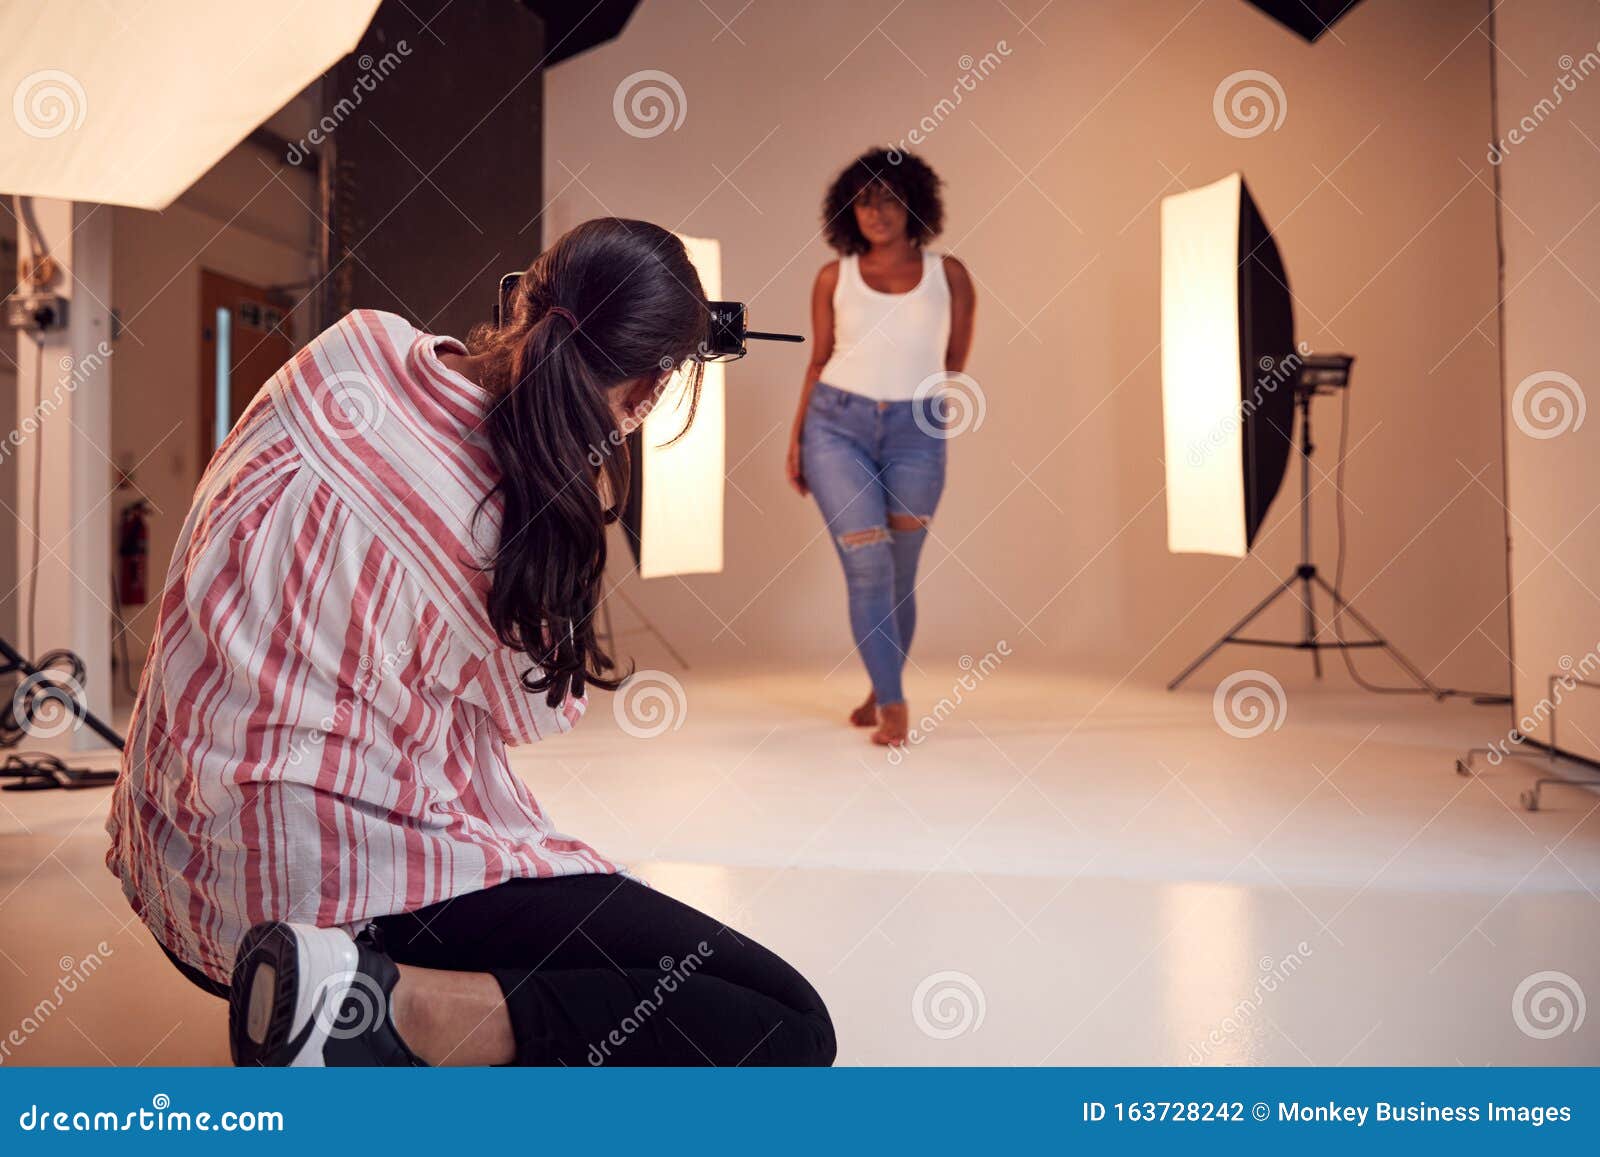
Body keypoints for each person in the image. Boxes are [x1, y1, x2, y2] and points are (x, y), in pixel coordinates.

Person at [106, 218, 836, 1068]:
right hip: (309, 899)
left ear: (529, 292)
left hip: (175, 861)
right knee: (785, 1020)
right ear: (648, 391)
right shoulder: (523, 523)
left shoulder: (351, 346)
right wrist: (578, 472)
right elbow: (535, 715)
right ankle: (381, 1007)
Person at [787, 148, 977, 747]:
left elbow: (951, 362)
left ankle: (879, 681)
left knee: (899, 574)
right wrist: (797, 440)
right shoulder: (832, 276)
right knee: (868, 567)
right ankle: (895, 704)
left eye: (889, 198)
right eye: (865, 200)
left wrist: (915, 406)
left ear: (913, 205)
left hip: (917, 434)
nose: (876, 211)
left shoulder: (951, 275)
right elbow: (817, 360)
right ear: (850, 208)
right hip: (835, 428)